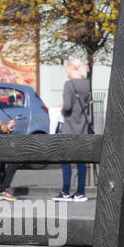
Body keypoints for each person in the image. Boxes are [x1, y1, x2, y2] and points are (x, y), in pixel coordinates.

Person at [54, 58, 93, 202]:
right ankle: (80, 192)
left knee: (66, 160)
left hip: (69, 128)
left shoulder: (69, 85)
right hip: (82, 127)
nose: (66, 71)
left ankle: (65, 191)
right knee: (81, 161)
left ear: (71, 68)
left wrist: (61, 109)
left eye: (67, 68)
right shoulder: (86, 84)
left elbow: (68, 106)